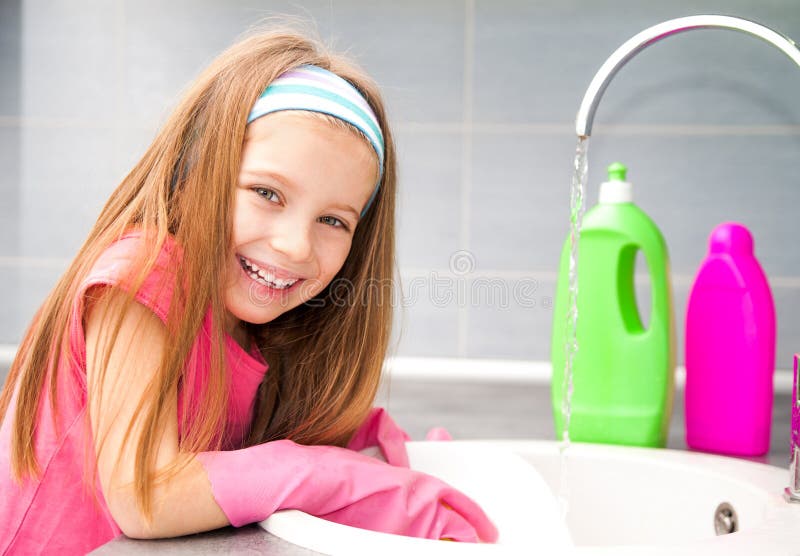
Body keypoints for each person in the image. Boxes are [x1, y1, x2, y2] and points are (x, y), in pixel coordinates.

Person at [0, 27, 498, 554]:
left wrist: (390, 461)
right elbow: (142, 496)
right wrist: (328, 472)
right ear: (197, 172)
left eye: (333, 220)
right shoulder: (145, 274)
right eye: (267, 193)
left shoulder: (264, 321)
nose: (294, 245)